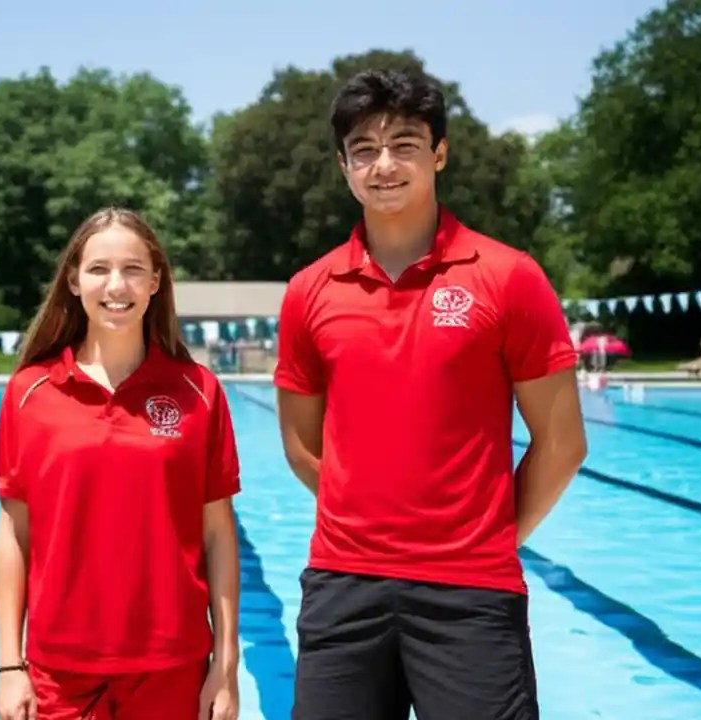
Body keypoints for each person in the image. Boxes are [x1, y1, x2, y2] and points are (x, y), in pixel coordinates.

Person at [274, 69, 588, 719]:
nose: (383, 165)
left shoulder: (509, 278)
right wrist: (370, 526)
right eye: (364, 148)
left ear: (439, 153)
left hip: (470, 597)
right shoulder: (310, 291)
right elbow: (302, 445)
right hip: (342, 589)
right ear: (343, 165)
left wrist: (485, 540)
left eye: (405, 144)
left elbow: (561, 444)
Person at [0, 207, 241, 720]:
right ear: (74, 280)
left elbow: (217, 533)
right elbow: (16, 531)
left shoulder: (199, 393)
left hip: (173, 665)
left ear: (155, 282)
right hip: (59, 670)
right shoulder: (30, 391)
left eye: (132, 269)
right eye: (99, 269)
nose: (116, 285)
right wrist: (9, 666)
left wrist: (227, 663)